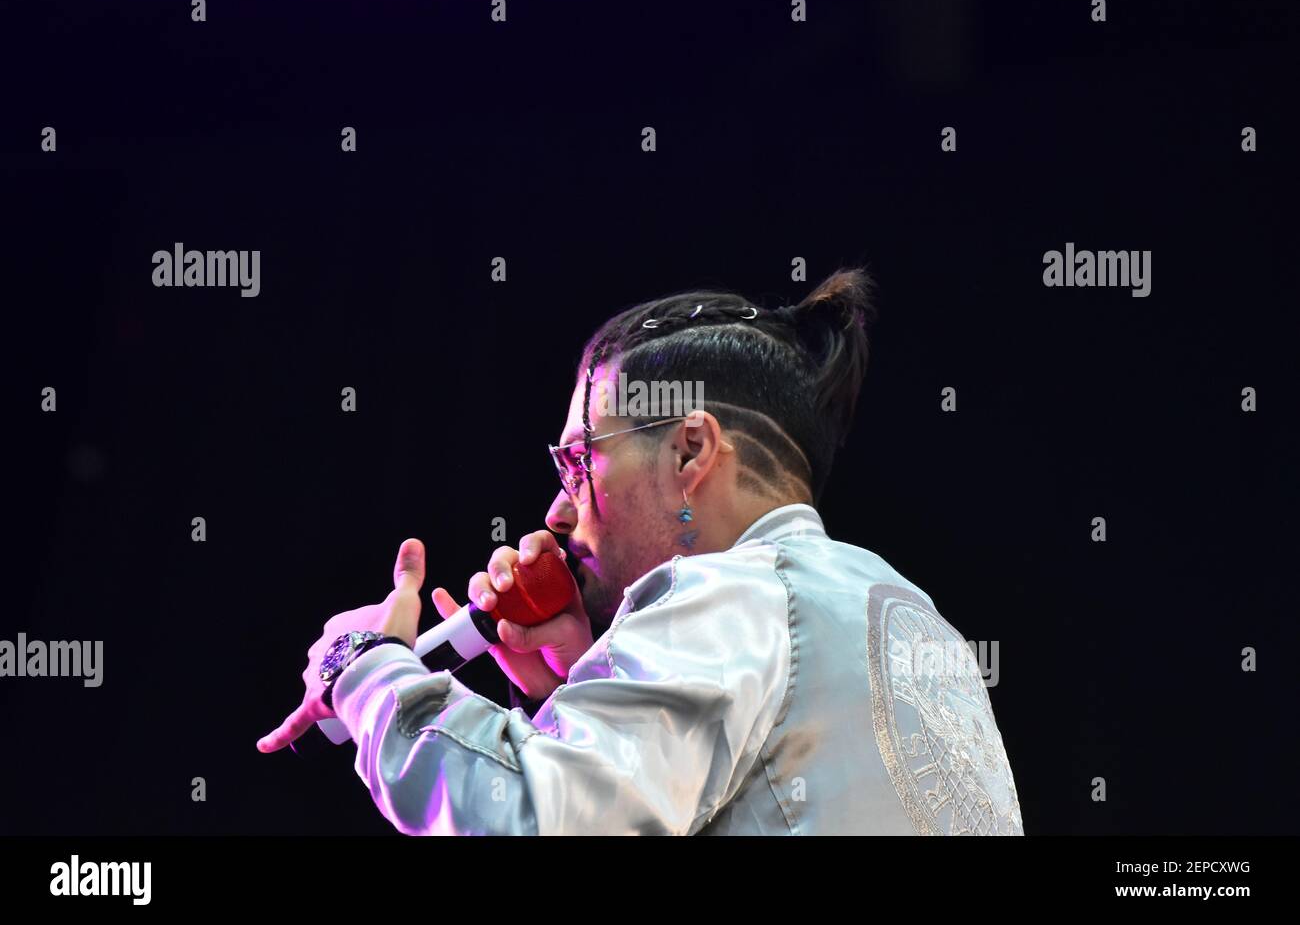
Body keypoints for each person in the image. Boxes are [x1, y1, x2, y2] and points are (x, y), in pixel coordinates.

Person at [257, 268, 1024, 836]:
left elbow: (528, 819)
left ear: (690, 450)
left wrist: (366, 669)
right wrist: (577, 689)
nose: (560, 510)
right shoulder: (910, 619)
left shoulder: (734, 594)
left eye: (580, 462)